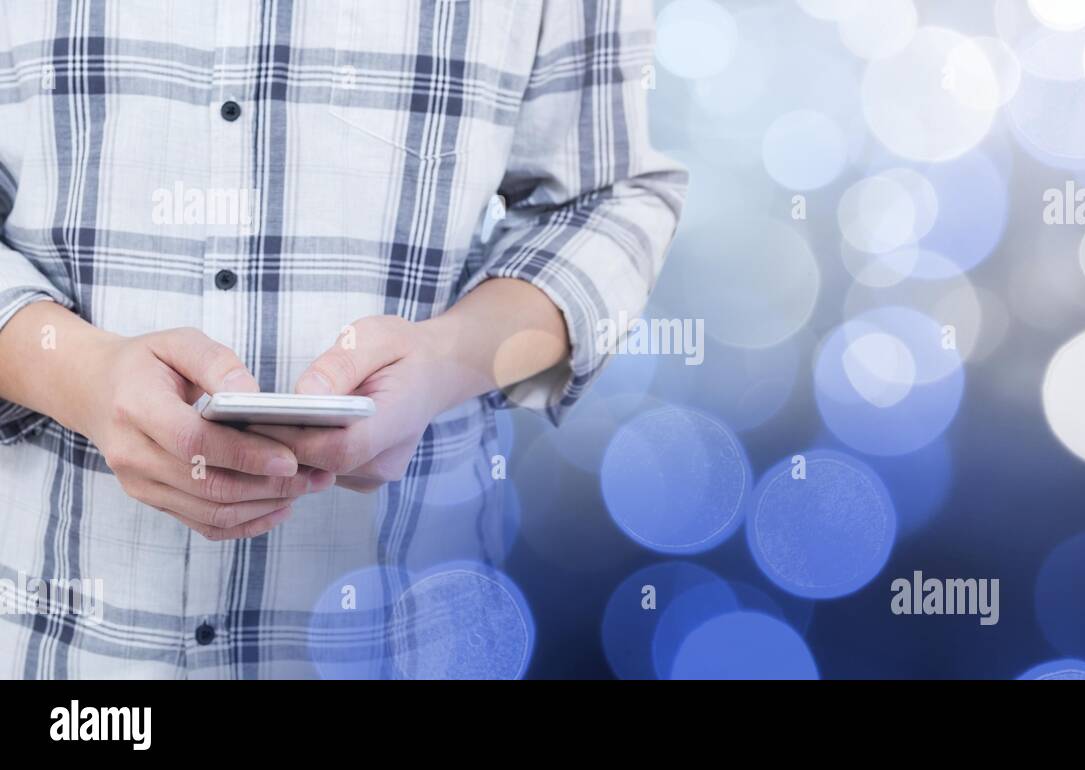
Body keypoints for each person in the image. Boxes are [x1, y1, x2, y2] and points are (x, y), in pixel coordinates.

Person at [0, 0, 685, 678]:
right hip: (56, 646)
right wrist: (77, 375)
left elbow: (605, 197)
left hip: (405, 633)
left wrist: (447, 360)